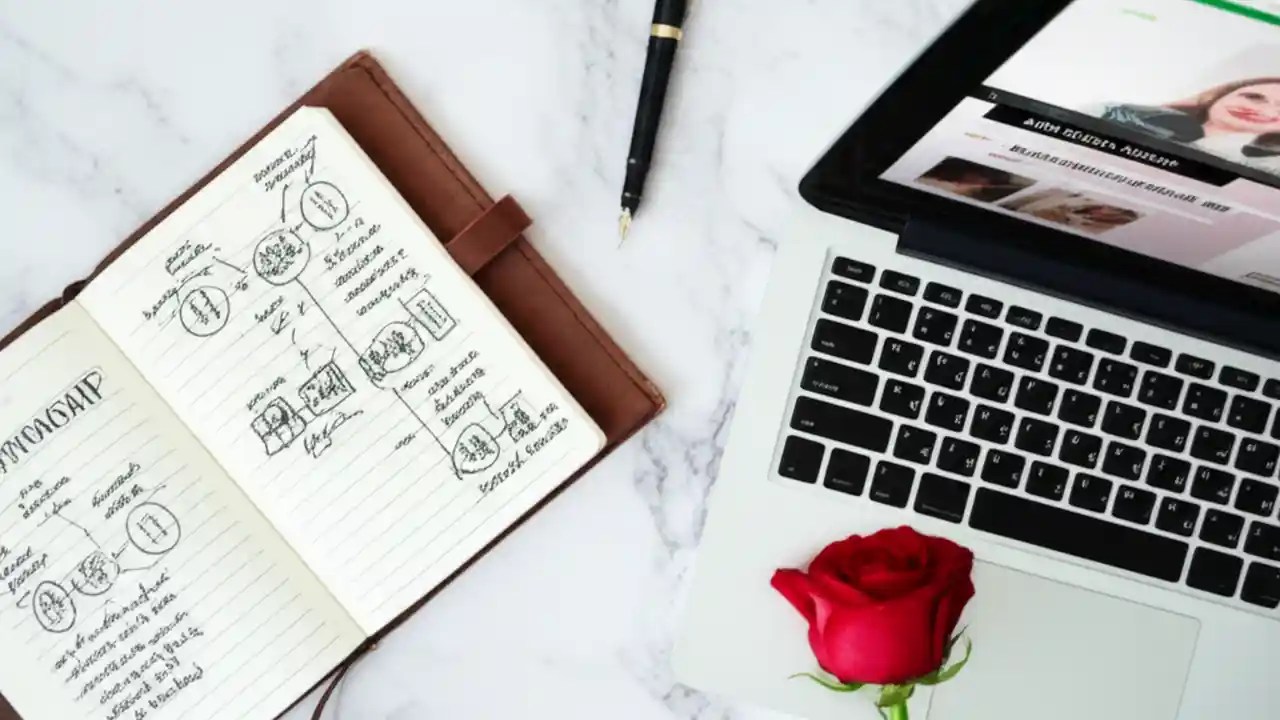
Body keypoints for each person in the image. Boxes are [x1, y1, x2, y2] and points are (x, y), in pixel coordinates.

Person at [1094, 78, 1280, 176]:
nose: (1262, 109)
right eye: (1254, 97)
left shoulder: (1271, 166)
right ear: (1218, 96)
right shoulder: (1114, 113)